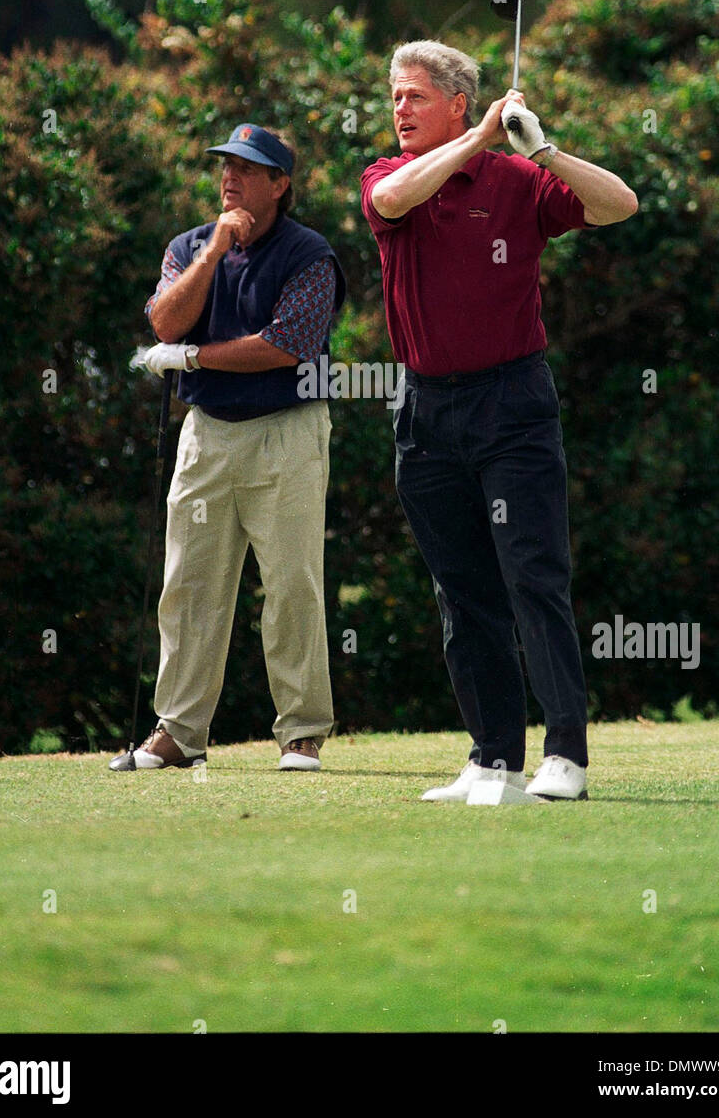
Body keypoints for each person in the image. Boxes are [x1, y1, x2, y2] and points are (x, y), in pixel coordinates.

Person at [360, 42, 637, 803]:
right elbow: (391, 203)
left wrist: (541, 148)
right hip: (425, 411)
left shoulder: (519, 180)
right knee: (462, 590)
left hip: (511, 406)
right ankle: (491, 759)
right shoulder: (391, 177)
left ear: (457, 100)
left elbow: (620, 204)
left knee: (533, 578)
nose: (400, 110)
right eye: (394, 97)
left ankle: (566, 758)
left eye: (415, 97)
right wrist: (475, 139)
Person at [111, 123, 346, 773]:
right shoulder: (190, 245)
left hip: (287, 430)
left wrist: (190, 356)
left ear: (280, 184)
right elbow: (164, 320)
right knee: (189, 586)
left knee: (291, 585)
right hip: (207, 433)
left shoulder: (310, 254)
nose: (230, 178)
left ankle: (301, 732)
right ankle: (178, 732)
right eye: (225, 166)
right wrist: (212, 250)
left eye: (247, 168)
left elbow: (285, 345)